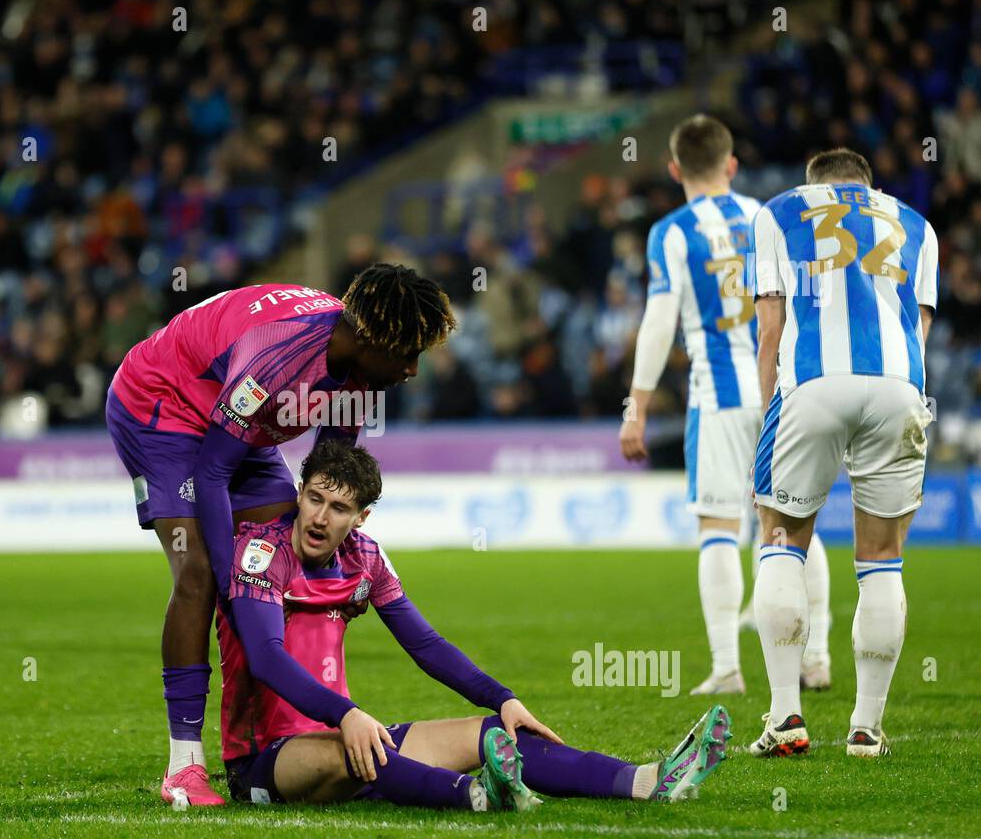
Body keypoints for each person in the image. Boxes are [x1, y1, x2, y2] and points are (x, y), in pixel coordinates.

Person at [217, 437, 732, 810]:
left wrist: (502, 698)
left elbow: (425, 644)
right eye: (314, 498)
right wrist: (347, 714)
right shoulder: (262, 552)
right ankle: (480, 795)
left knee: (496, 734)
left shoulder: (364, 557)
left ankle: (646, 780)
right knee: (363, 756)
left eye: (339, 507)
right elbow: (266, 658)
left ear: (361, 518)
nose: (320, 517)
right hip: (267, 761)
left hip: (349, 732)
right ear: (300, 490)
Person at [107, 264, 457, 807]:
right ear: (369, 338)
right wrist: (231, 578)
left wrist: (339, 557)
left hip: (233, 418)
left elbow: (330, 469)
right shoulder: (276, 360)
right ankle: (184, 765)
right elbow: (213, 472)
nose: (412, 369)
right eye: (407, 353)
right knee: (202, 571)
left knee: (279, 556)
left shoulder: (362, 369)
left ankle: (263, 739)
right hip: (163, 404)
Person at [620, 114, 832, 695]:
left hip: (718, 399)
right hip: (787, 394)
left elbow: (659, 320)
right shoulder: (772, 217)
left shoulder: (670, 231)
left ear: (673, 169)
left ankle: (727, 668)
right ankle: (816, 657)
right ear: (732, 165)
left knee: (718, 528)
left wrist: (635, 406)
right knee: (793, 522)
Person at [748, 148, 937, 758]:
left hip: (812, 383)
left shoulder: (778, 212)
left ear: (816, 185)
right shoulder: (916, 223)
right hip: (900, 386)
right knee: (882, 557)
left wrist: (765, 416)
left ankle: (784, 720)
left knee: (781, 539)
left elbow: (770, 328)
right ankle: (864, 728)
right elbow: (919, 330)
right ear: (865, 186)